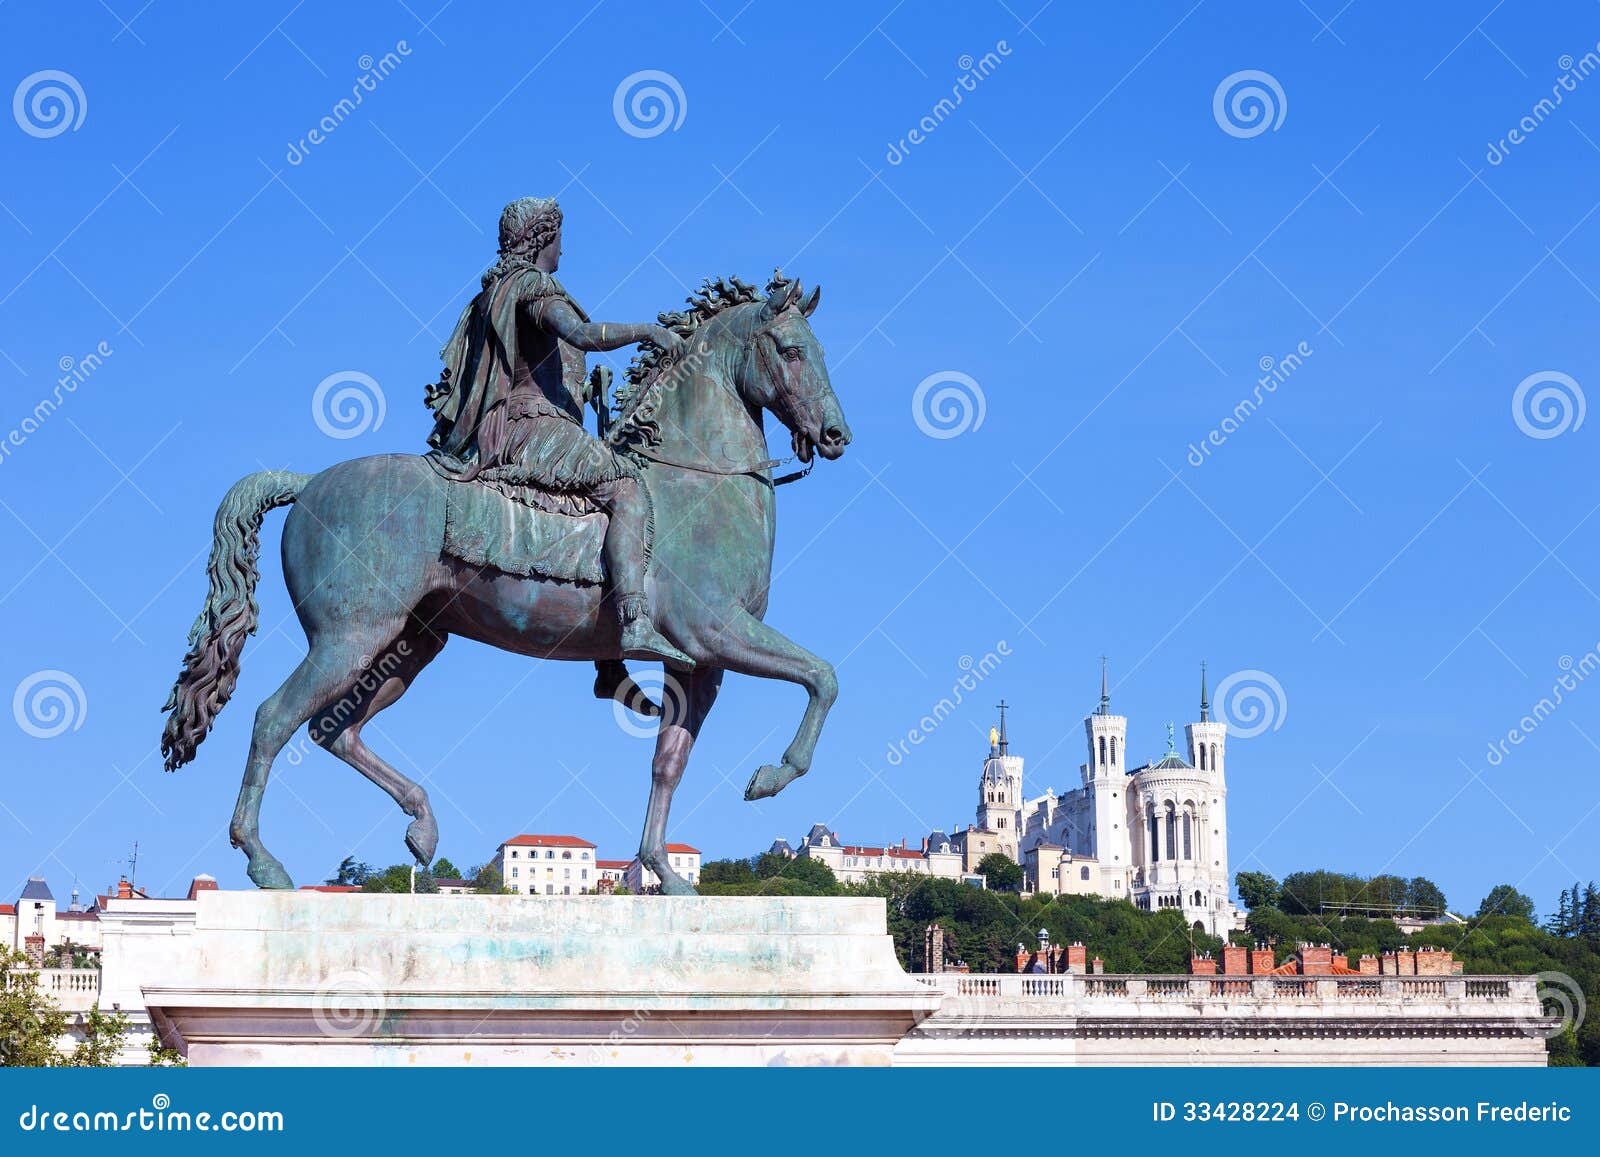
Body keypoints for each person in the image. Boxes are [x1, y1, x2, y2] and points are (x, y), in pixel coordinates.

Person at [427, 196, 692, 672]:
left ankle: (608, 666)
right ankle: (633, 619)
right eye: (560, 241)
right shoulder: (530, 285)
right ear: (543, 238)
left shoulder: (493, 291)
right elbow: (583, 335)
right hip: (529, 429)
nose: (563, 254)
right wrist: (648, 331)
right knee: (628, 489)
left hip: (524, 422)